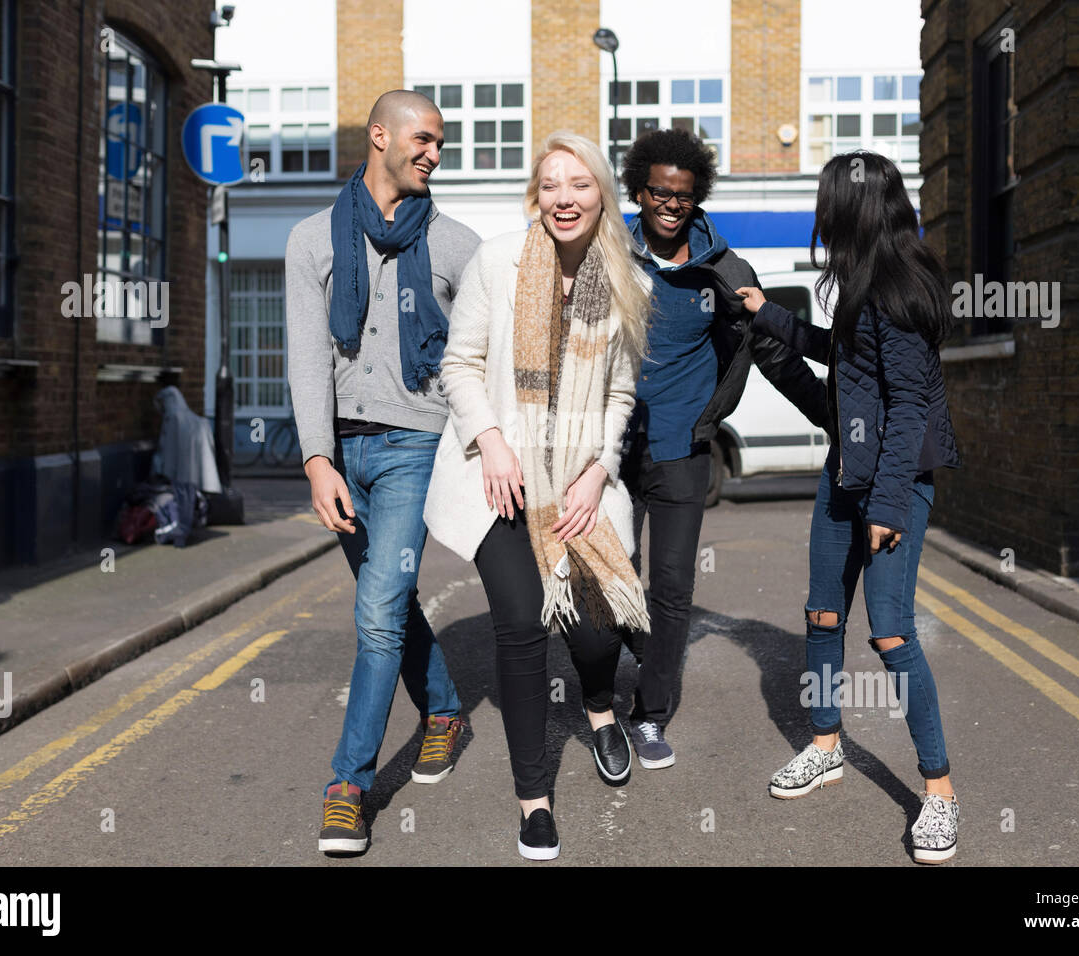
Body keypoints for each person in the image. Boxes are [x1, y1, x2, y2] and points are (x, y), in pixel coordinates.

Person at [423, 131, 652, 861]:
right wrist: (490, 439)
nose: (564, 198)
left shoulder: (626, 282)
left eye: (579, 184)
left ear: (601, 196)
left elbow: (619, 393)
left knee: (593, 634)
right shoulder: (497, 262)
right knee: (520, 624)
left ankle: (598, 703)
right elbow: (460, 363)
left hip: (577, 482)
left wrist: (598, 469)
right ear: (536, 195)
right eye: (550, 185)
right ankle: (534, 799)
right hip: (499, 477)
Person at [735, 150, 962, 864]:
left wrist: (888, 505)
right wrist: (766, 313)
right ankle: (826, 744)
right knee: (822, 616)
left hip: (891, 483)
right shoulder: (866, 284)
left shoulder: (899, 289)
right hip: (846, 473)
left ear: (854, 210)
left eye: (829, 204)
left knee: (891, 633)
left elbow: (909, 409)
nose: (821, 217)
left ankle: (940, 793)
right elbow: (842, 357)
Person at [284, 89, 481, 855]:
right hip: (342, 453)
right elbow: (306, 358)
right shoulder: (311, 241)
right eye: (425, 139)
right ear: (380, 137)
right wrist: (315, 459)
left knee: (374, 615)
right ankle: (443, 710)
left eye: (440, 142)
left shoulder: (460, 246)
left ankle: (348, 785)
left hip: (412, 448)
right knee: (389, 601)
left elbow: (483, 350)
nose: (435, 152)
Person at [616, 128, 829, 769]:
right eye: (658, 192)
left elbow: (776, 356)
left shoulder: (727, 273)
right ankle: (638, 659)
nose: (670, 204)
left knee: (673, 588)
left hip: (683, 450)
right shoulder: (608, 258)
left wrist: (837, 418)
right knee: (608, 581)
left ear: (696, 196)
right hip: (610, 448)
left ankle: (650, 715)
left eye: (682, 195)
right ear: (639, 190)